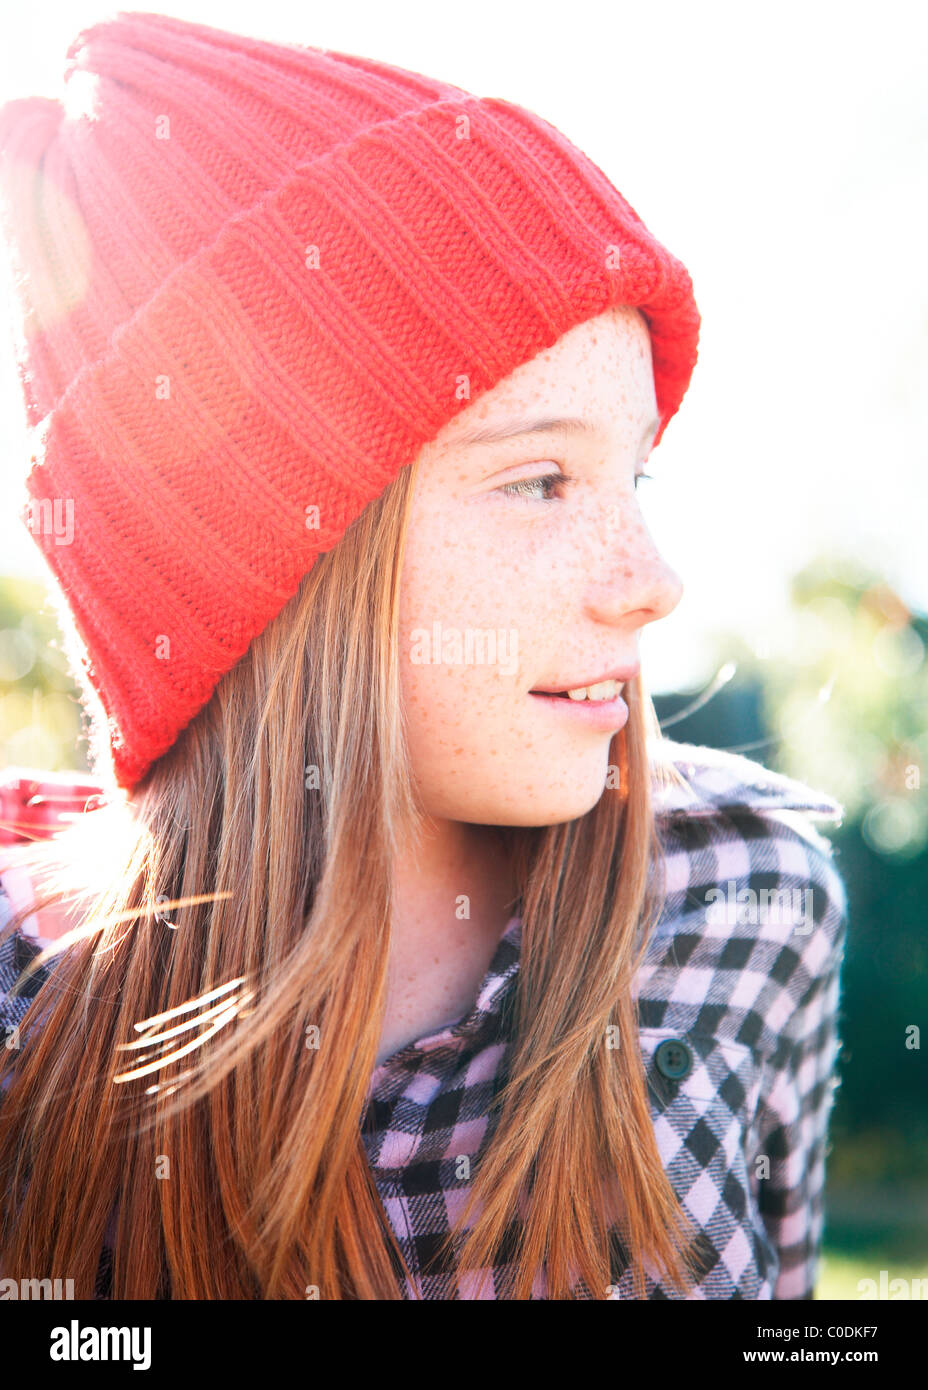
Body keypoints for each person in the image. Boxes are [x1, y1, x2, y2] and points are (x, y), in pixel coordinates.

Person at [0, 10, 848, 1300]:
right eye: (539, 482)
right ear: (273, 560)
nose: (654, 586)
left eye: (638, 476)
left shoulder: (744, 902)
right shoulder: (26, 1018)